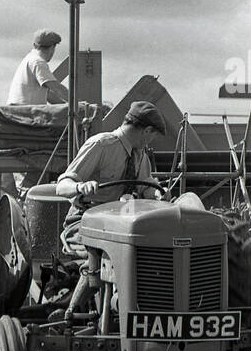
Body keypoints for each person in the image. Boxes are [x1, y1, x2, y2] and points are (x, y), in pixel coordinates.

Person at [54, 101, 167, 251]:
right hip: (86, 221)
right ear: (147, 131)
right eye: (153, 136)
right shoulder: (101, 145)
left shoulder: (140, 155)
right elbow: (61, 186)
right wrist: (80, 187)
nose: (151, 141)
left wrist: (157, 192)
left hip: (122, 223)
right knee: (105, 256)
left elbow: (145, 186)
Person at [8, 30, 70, 107]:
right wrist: (76, 103)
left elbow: (48, 95)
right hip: (25, 111)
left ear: (35, 45)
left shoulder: (30, 58)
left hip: (18, 109)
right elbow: (55, 87)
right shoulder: (38, 62)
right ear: (52, 47)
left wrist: (66, 106)